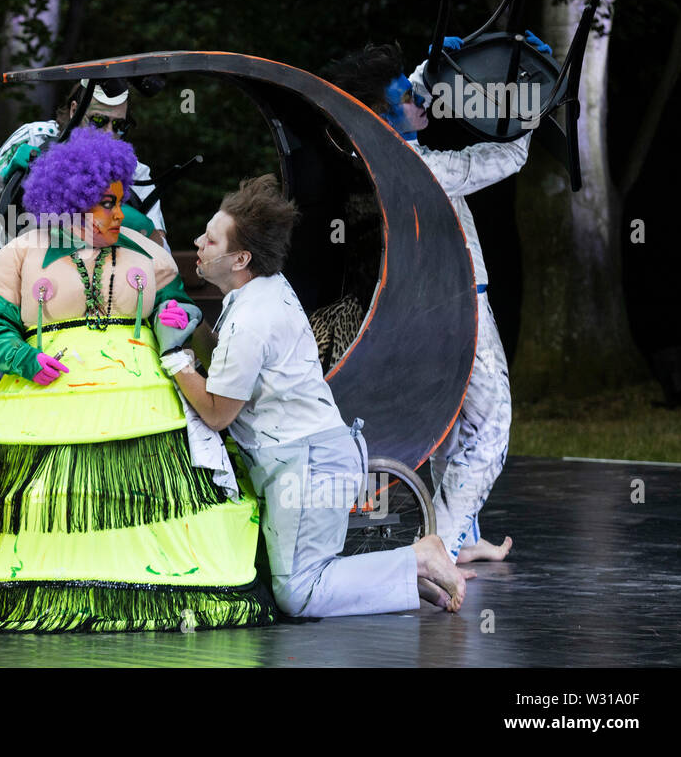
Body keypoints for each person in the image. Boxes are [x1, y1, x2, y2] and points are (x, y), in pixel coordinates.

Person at [0, 127, 277, 632]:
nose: (116, 214)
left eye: (120, 202)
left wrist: (176, 316)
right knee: (58, 500)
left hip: (143, 403)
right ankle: (66, 596)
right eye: (105, 203)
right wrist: (21, 357)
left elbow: (178, 305)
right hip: (56, 399)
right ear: (73, 199)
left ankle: (162, 595)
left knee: (162, 499)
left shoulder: (143, 251)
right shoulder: (20, 252)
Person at [170, 175, 469, 615]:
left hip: (307, 468)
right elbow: (235, 368)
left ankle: (419, 557)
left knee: (299, 592)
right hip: (314, 456)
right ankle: (408, 576)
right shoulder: (265, 289)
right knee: (305, 575)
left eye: (211, 240)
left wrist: (175, 361)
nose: (198, 242)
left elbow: (217, 413)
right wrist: (196, 331)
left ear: (240, 258)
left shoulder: (251, 317)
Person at [321, 38, 544, 565]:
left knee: (451, 429)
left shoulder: (374, 161)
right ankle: (435, 548)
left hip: (423, 313)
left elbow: (403, 94)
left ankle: (458, 540)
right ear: (381, 117)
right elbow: (510, 153)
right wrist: (534, 97)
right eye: (408, 99)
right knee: (490, 430)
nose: (422, 102)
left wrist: (432, 71)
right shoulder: (425, 173)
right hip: (459, 309)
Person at [0, 79, 168, 246]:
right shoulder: (36, 137)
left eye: (119, 125)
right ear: (74, 110)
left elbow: (162, 254)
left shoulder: (135, 171)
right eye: (98, 121)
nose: (108, 133)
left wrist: (135, 223)